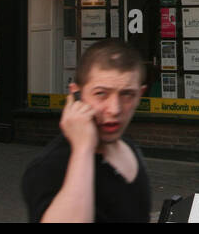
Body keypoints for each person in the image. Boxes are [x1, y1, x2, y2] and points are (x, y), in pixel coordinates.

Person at [22, 39, 152, 223]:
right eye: (101, 94)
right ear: (77, 94)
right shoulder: (50, 166)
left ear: (140, 94)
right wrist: (83, 149)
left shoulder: (130, 148)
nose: (114, 109)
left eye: (127, 95)